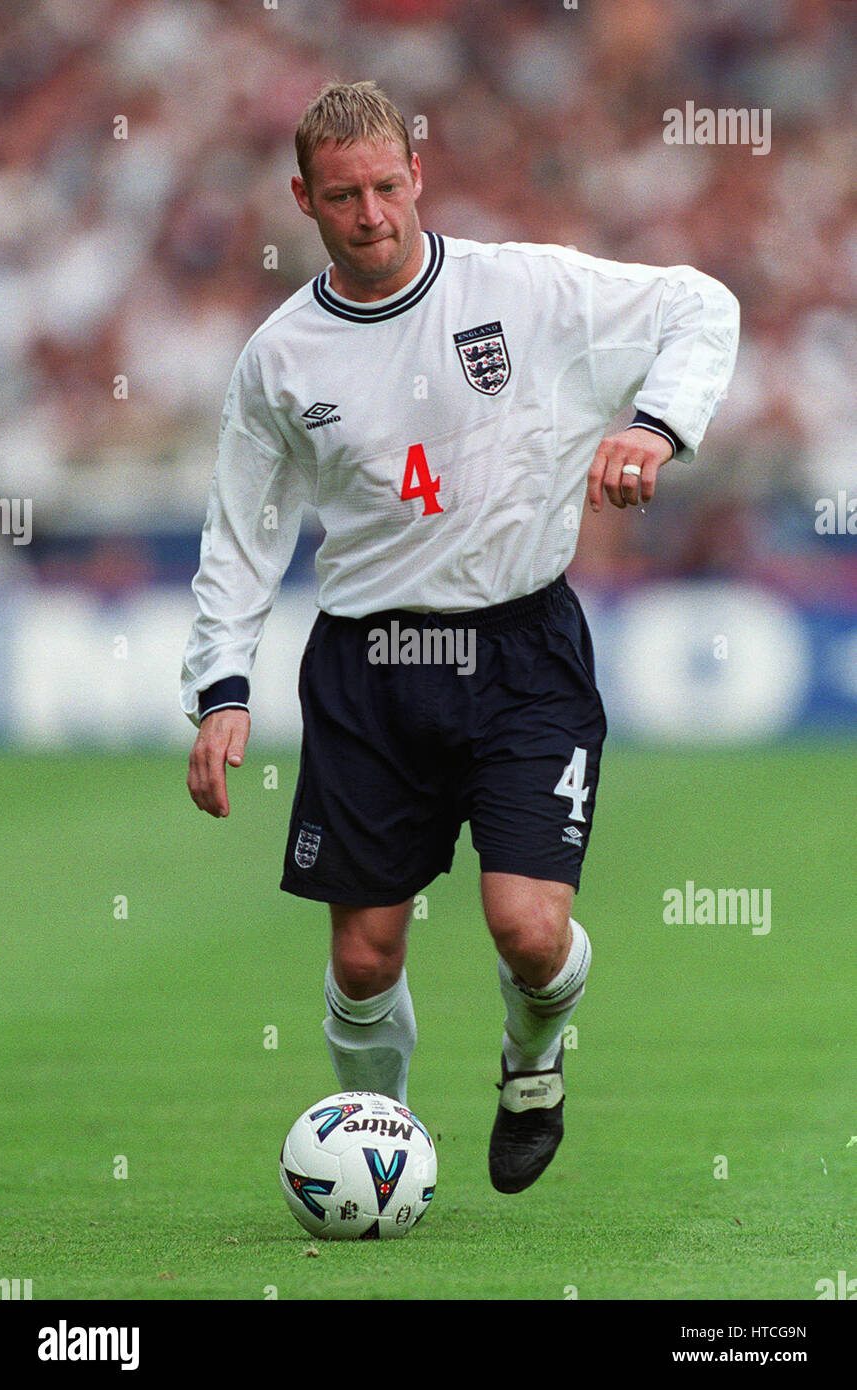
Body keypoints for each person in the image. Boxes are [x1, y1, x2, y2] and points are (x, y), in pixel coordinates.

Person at [182, 81, 739, 1194]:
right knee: (361, 953)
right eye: (342, 196)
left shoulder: (522, 288)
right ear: (304, 198)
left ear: (416, 177)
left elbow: (699, 302)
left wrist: (654, 424)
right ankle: (375, 1148)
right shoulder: (279, 359)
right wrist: (220, 685)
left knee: (529, 931)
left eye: (387, 187)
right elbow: (243, 529)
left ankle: (530, 1064)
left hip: (521, 652)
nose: (371, 214)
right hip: (368, 668)